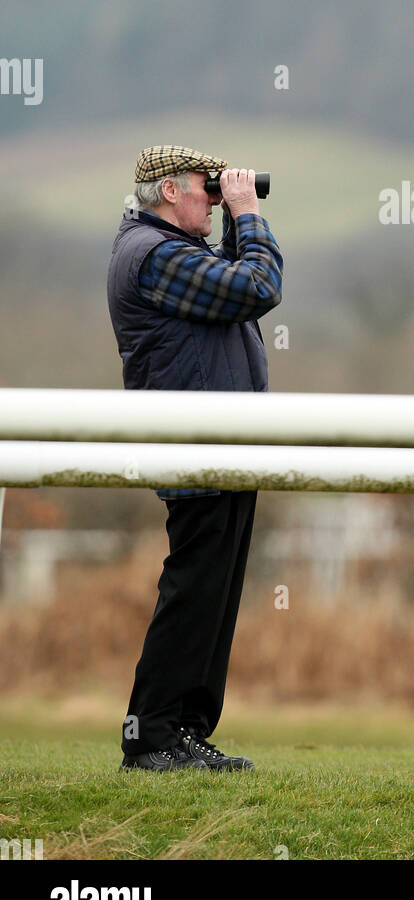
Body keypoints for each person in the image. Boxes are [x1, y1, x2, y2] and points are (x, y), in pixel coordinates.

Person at [106, 145, 283, 771]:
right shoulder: (154, 256)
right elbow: (258, 287)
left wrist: (236, 220)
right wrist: (249, 214)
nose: (214, 197)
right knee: (193, 588)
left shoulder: (164, 251)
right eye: (205, 189)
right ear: (170, 191)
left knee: (215, 591)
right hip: (194, 445)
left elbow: (234, 293)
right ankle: (150, 734)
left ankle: (184, 732)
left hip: (220, 442)